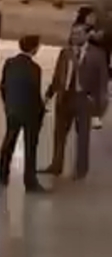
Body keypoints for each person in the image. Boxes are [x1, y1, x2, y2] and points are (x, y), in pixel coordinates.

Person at [44, 18, 108, 179]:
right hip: (65, 97)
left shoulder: (98, 55)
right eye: (72, 33)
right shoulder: (65, 52)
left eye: (78, 34)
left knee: (83, 137)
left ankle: (81, 170)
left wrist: (100, 108)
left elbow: (102, 83)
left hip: (84, 99)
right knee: (59, 134)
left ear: (87, 36)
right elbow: (58, 75)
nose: (74, 37)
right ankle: (56, 165)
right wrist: (49, 94)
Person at [0, 34, 46, 191]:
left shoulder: (9, 63)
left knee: (9, 141)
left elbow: (3, 86)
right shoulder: (35, 69)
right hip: (30, 112)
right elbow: (35, 92)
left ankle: (3, 174)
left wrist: (7, 104)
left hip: (12, 109)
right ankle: (30, 181)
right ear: (34, 48)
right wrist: (41, 111)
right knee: (30, 147)